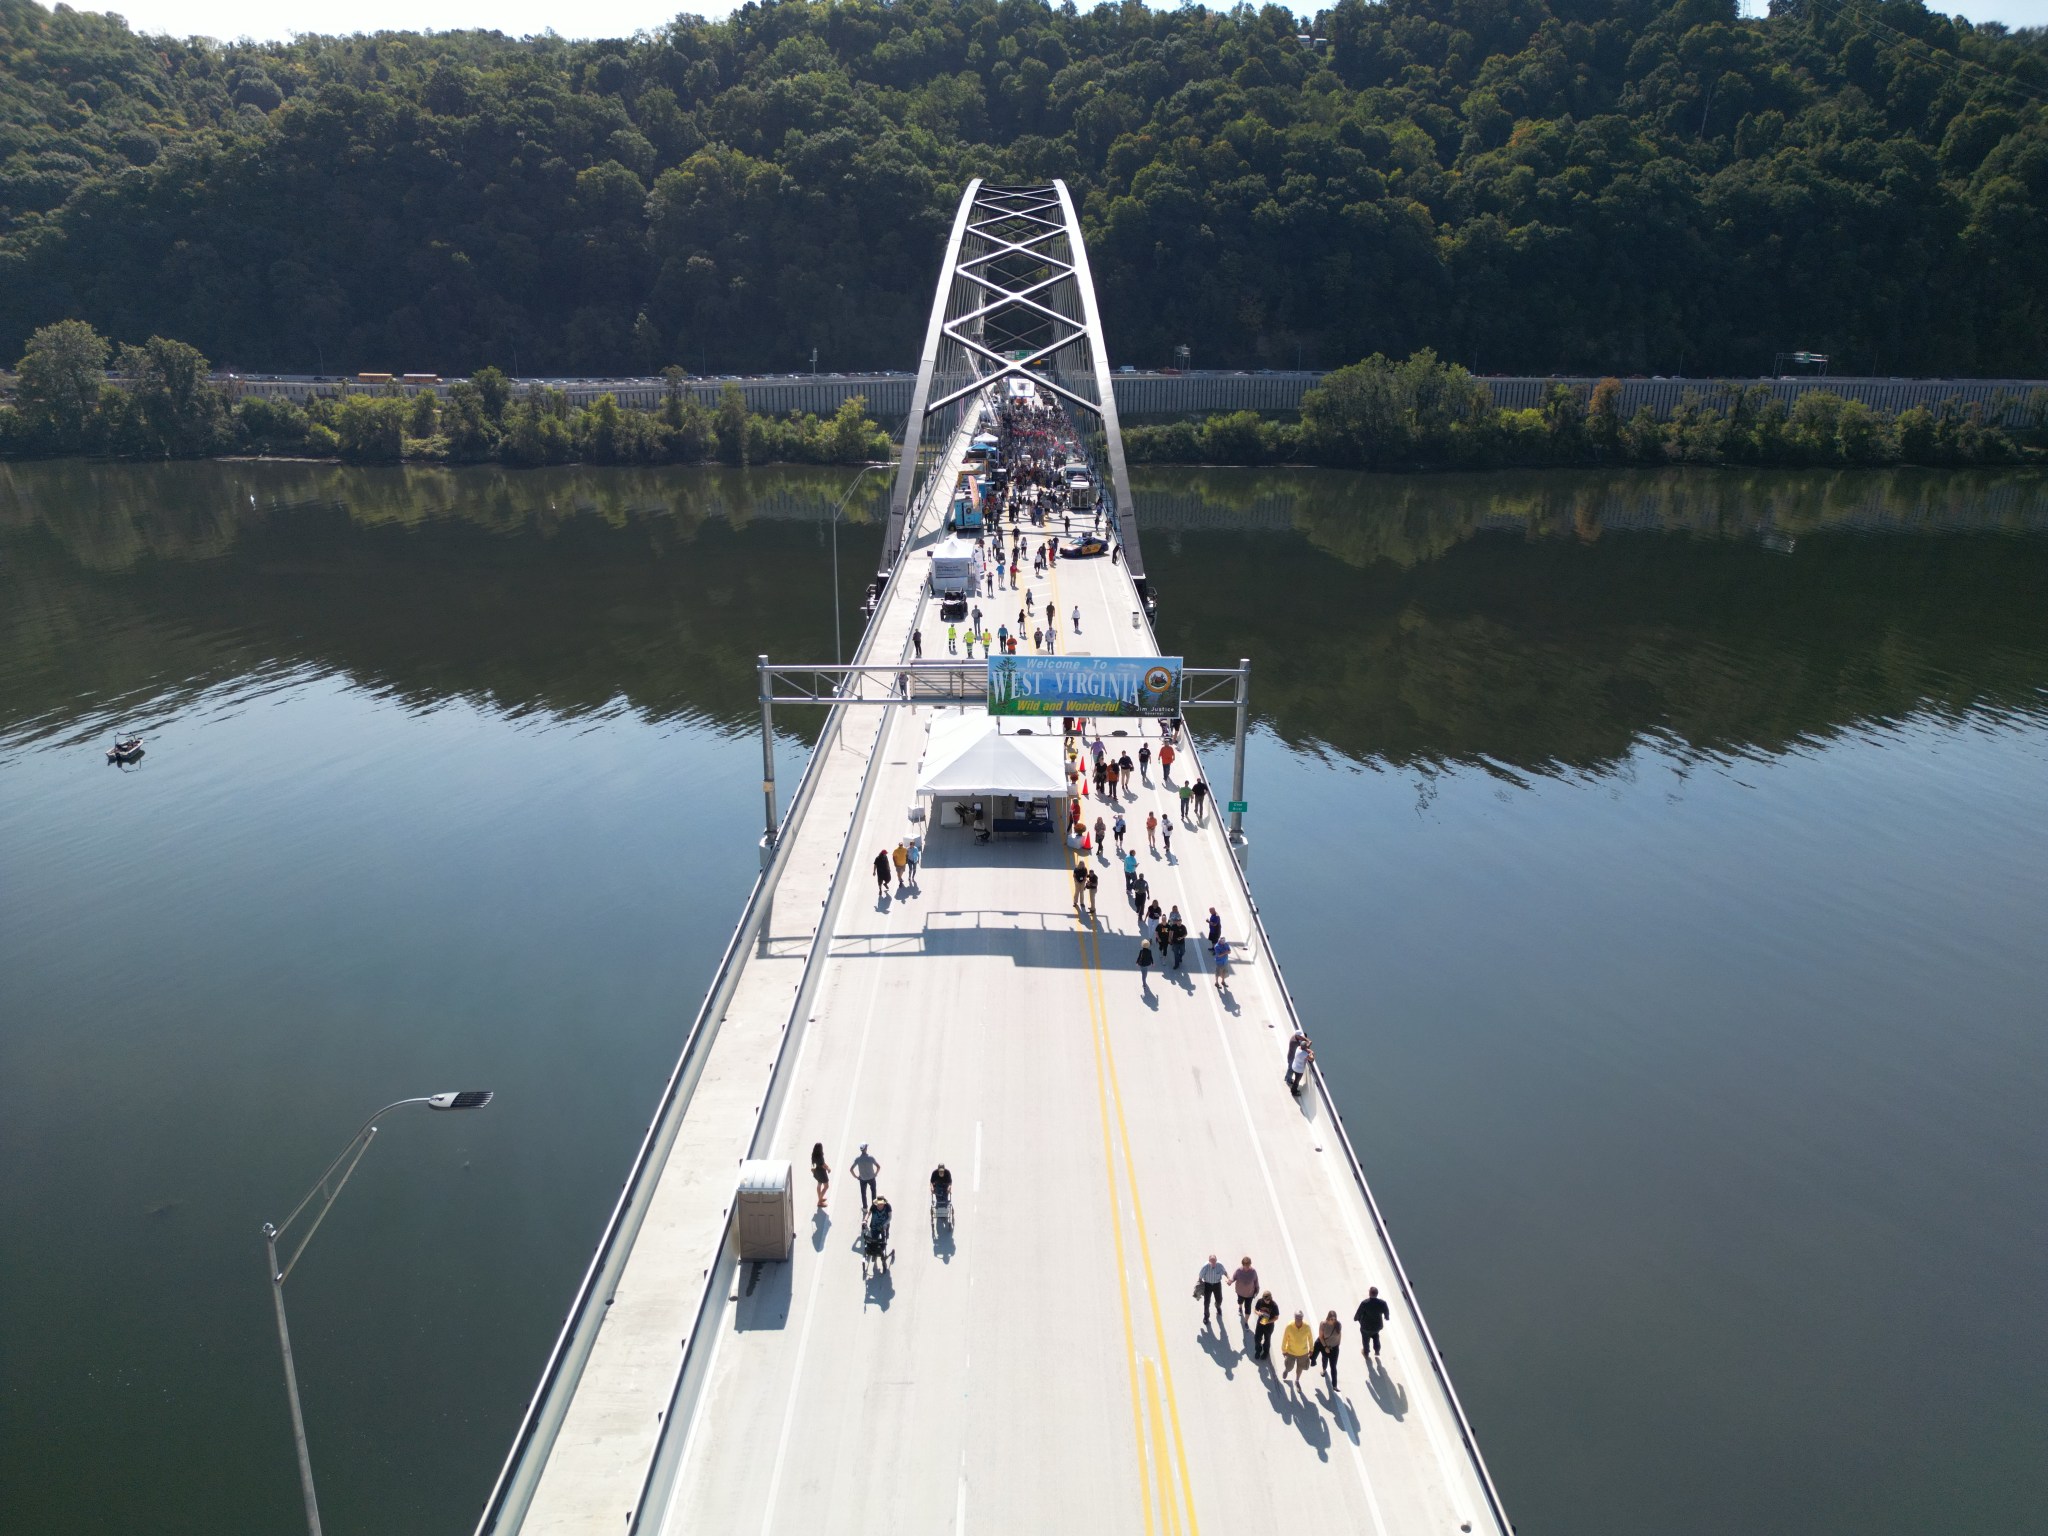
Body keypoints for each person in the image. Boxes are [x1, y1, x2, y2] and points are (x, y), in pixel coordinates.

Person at [1355, 1287, 1391, 1361]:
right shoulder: (1383, 1303)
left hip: (1366, 1326)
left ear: (1370, 1293)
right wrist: (1386, 1317)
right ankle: (1377, 1350)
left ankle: (1366, 1352)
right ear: (1377, 1294)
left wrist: (1356, 1318)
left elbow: (1359, 1313)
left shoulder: (1365, 1303)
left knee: (1365, 1339)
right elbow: (1386, 1312)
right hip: (1377, 1326)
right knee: (1375, 1335)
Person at [1281, 1311, 1315, 1387]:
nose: (1299, 1319)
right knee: (1289, 1366)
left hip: (1303, 1353)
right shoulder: (1289, 1326)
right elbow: (1285, 1339)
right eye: (1297, 1317)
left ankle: (1297, 1380)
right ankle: (1287, 1370)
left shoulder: (1307, 1327)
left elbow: (1310, 1339)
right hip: (1291, 1352)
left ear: (1302, 1318)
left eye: (1300, 1317)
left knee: (1300, 1368)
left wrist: (1311, 1349)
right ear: (1294, 1317)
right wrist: (1284, 1350)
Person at [1196, 1254, 1227, 1328]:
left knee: (1219, 1299)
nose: (1213, 1262)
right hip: (1208, 1285)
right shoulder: (1205, 1267)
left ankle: (1217, 1306)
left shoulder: (1219, 1265)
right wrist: (1199, 1285)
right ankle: (1206, 1317)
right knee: (1206, 1303)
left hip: (1217, 1285)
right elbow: (1200, 1277)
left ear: (1216, 1260)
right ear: (1209, 1261)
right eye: (1211, 1261)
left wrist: (1228, 1278)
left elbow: (1224, 1272)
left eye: (1214, 1261)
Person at [1317, 1311, 1344, 1389]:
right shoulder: (1323, 1324)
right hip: (1325, 1346)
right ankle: (1324, 1369)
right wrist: (1325, 1347)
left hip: (1335, 1348)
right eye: (1331, 1319)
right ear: (1328, 1318)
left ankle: (1334, 1385)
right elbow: (1321, 1337)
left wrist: (1338, 1343)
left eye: (1334, 1319)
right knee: (1324, 1359)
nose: (1333, 1320)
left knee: (1333, 1366)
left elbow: (1340, 1334)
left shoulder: (1338, 1325)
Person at [850, 1144, 880, 1209]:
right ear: (866, 1149)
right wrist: (875, 1174)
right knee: (873, 1192)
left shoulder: (857, 1159)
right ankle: (874, 1207)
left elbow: (851, 1169)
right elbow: (878, 1167)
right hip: (872, 1178)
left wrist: (856, 1176)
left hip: (862, 1179)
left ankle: (865, 1208)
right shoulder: (871, 1158)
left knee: (863, 1194)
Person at [1253, 1290, 1280, 1362]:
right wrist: (1258, 1313)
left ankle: (1265, 1352)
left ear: (1270, 1298)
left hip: (1269, 1326)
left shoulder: (1274, 1305)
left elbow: (1276, 1317)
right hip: (1260, 1323)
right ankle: (1258, 1350)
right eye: (1265, 1300)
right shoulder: (1260, 1301)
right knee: (1257, 1338)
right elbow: (1255, 1309)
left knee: (1267, 1340)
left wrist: (1268, 1322)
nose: (1266, 1301)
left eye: (1268, 1300)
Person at [1231, 1257, 1260, 1323]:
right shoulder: (1239, 1270)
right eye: (1245, 1266)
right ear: (1243, 1264)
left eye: (1248, 1265)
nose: (1247, 1267)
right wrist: (1230, 1281)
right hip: (1240, 1292)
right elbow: (1234, 1277)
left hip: (1250, 1294)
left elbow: (1256, 1281)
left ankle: (1246, 1322)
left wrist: (1257, 1290)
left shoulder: (1253, 1272)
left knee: (1248, 1310)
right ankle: (1240, 1307)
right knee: (1240, 1301)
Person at [811, 1142, 830, 1209]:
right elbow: (823, 1165)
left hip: (817, 1172)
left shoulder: (814, 1155)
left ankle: (820, 1198)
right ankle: (820, 1201)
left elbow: (820, 1163)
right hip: (822, 1173)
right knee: (826, 1186)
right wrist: (828, 1168)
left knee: (819, 1185)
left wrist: (826, 1166)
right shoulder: (820, 1157)